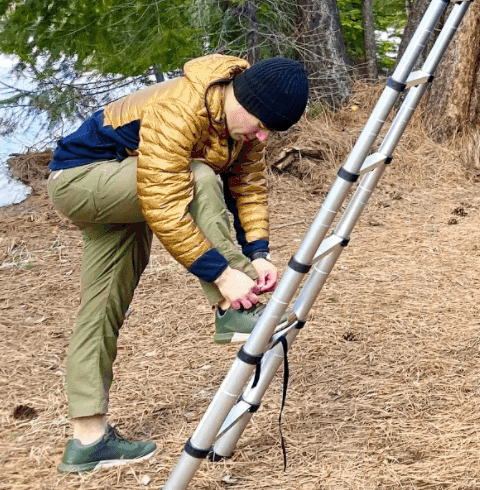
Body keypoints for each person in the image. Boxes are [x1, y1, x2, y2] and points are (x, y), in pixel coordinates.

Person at [45, 54, 308, 474]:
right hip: (81, 178)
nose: (261, 138)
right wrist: (225, 277)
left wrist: (258, 254)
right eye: (259, 125)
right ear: (241, 98)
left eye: (269, 132)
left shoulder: (240, 127)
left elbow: (249, 188)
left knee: (102, 308)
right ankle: (231, 310)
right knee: (199, 176)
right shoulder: (182, 106)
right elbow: (167, 203)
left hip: (129, 184)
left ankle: (87, 441)